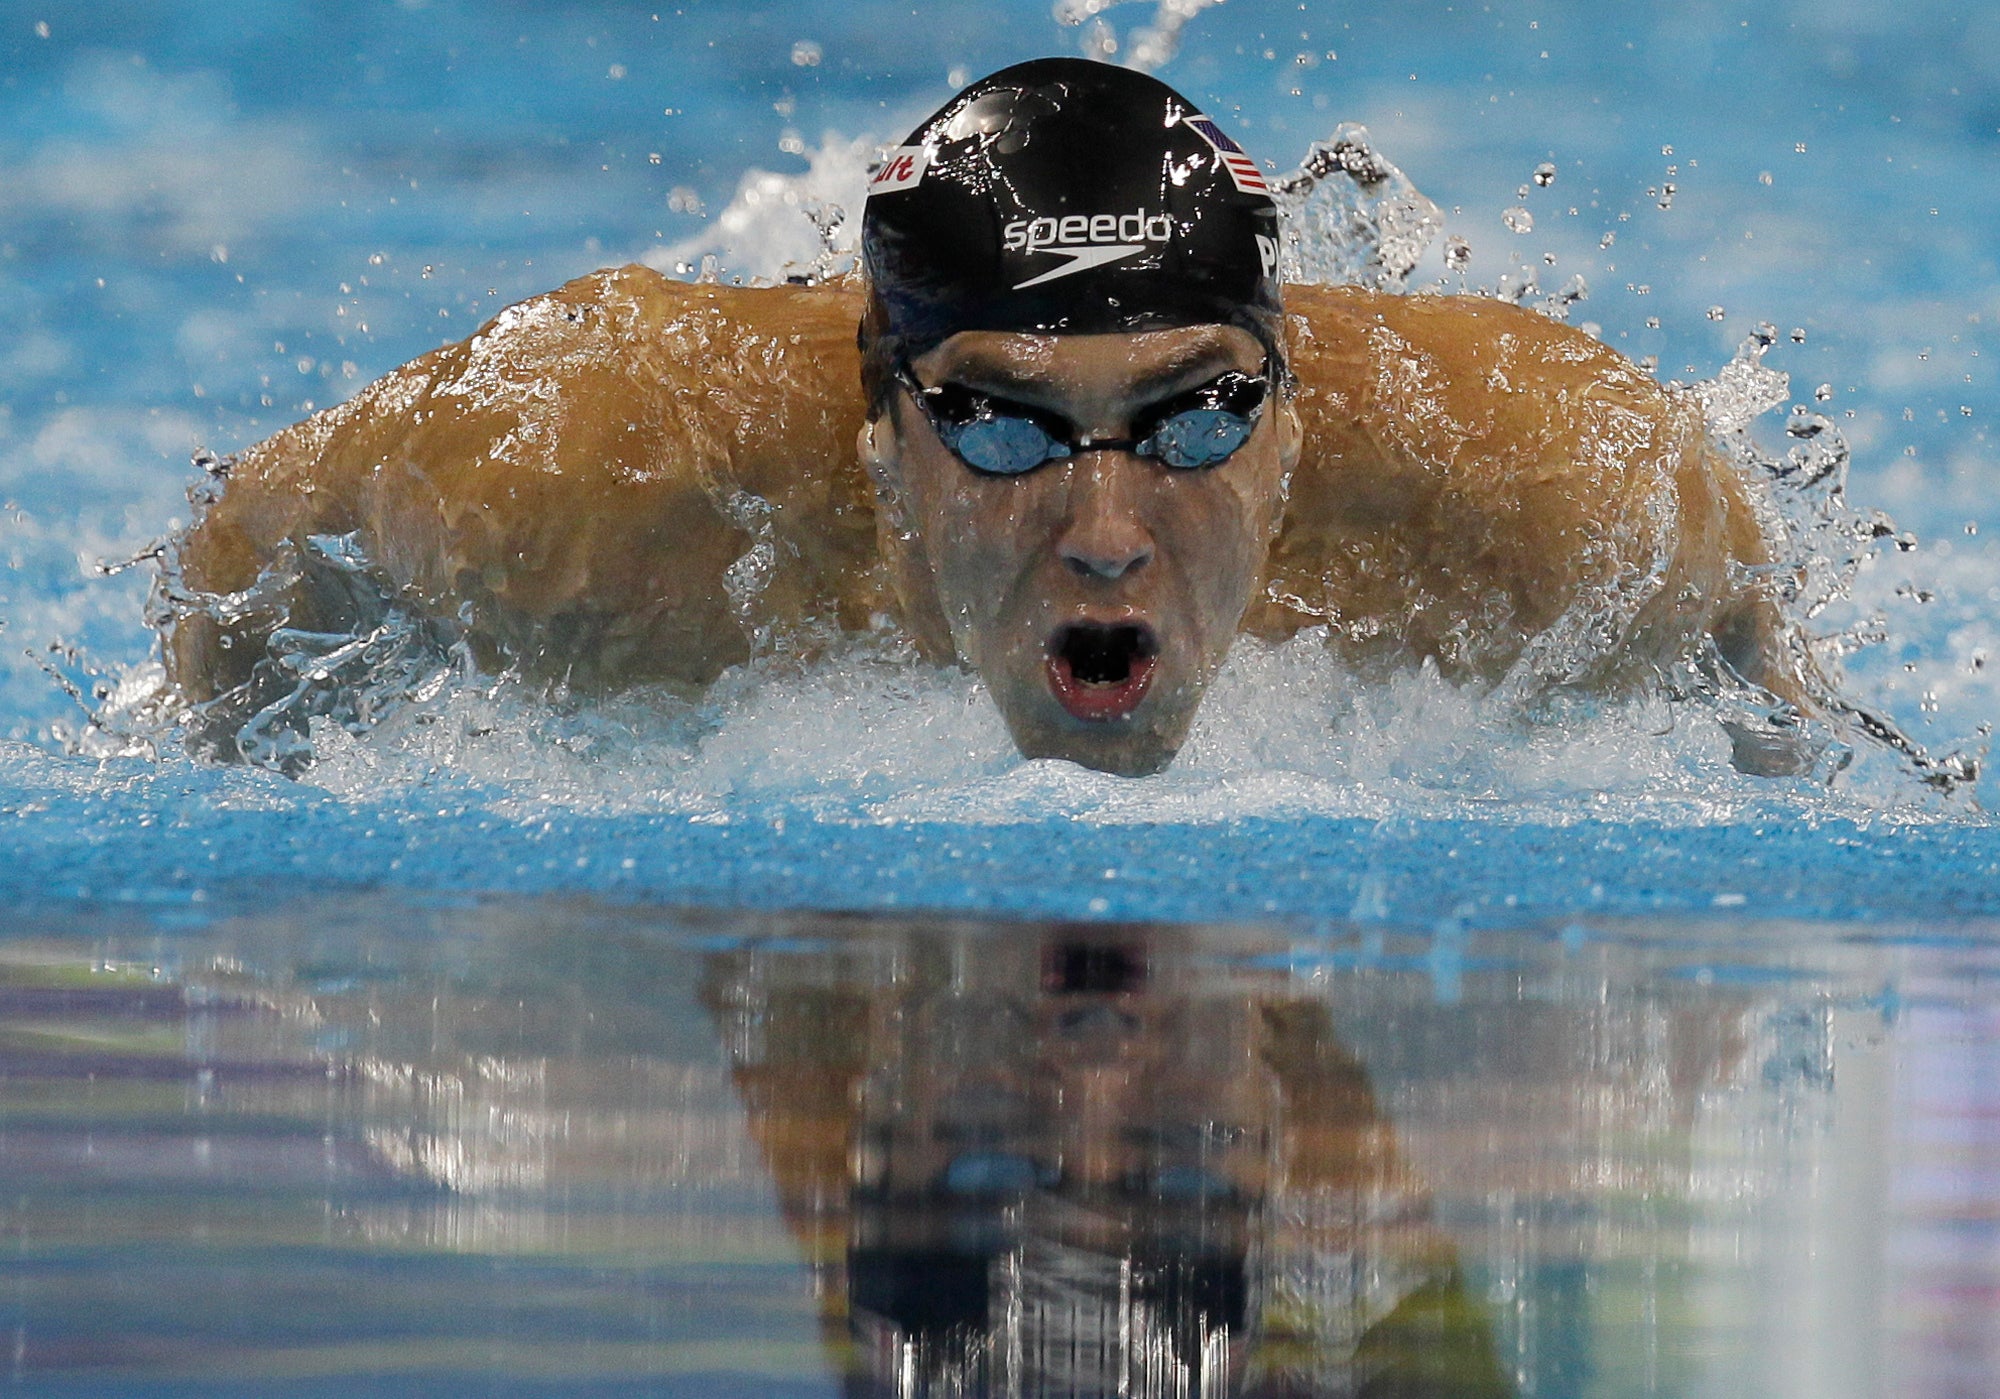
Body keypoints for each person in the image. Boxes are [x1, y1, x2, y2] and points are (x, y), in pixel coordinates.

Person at [159, 58, 1815, 777]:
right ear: (881, 438)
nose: (1104, 533)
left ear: (1297, 423)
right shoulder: (587, 477)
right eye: (1007, 432)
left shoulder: (1542, 488)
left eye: (1197, 419)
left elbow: (1761, 656)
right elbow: (240, 550)